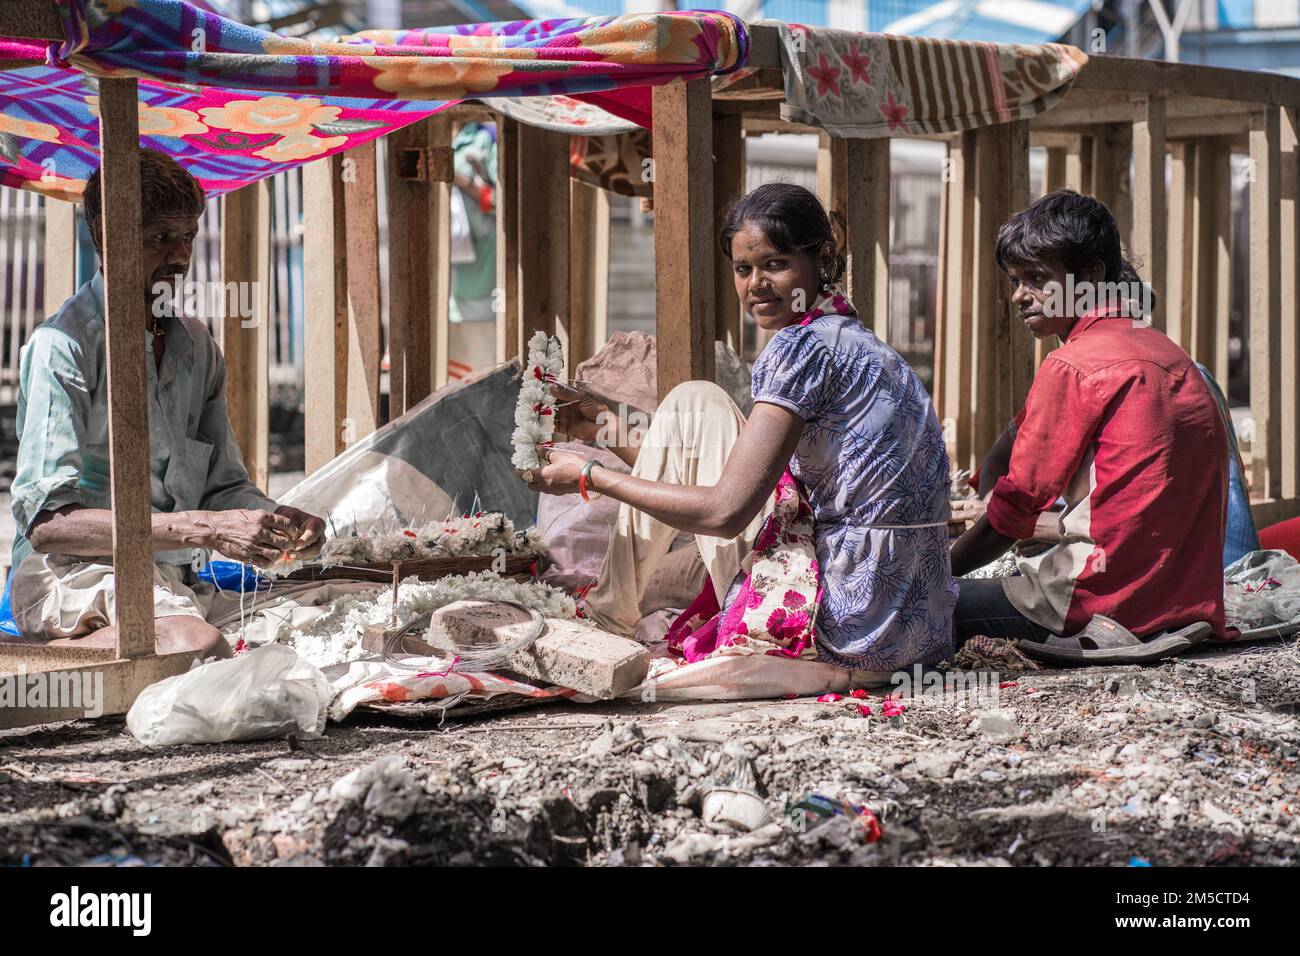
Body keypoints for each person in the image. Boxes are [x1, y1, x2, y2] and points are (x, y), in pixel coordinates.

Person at [522, 183, 956, 673]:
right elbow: (734, 471)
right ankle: (607, 613)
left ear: (821, 259)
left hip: (853, 624)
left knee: (695, 402)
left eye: (775, 264)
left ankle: (604, 619)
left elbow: (726, 511)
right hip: (917, 629)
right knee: (694, 405)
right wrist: (603, 428)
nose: (756, 284)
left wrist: (589, 477)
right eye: (743, 269)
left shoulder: (801, 349)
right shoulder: (856, 339)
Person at [7, 149, 324, 656]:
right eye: (160, 239)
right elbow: (48, 527)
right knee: (197, 644)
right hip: (72, 578)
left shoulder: (197, 347)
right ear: (103, 236)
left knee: (334, 613)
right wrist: (207, 528)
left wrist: (278, 522)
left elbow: (225, 488)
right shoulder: (62, 347)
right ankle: (40, 662)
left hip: (172, 577)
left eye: (188, 237)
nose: (180, 255)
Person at [950, 189, 1228, 660]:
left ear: (1092, 278)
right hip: (1182, 603)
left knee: (904, 608)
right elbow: (1015, 440)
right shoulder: (1168, 352)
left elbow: (1010, 519)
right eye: (1015, 280)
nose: (1020, 295)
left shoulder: (1075, 365)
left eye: (1037, 278)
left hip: (1093, 603)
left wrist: (938, 570)